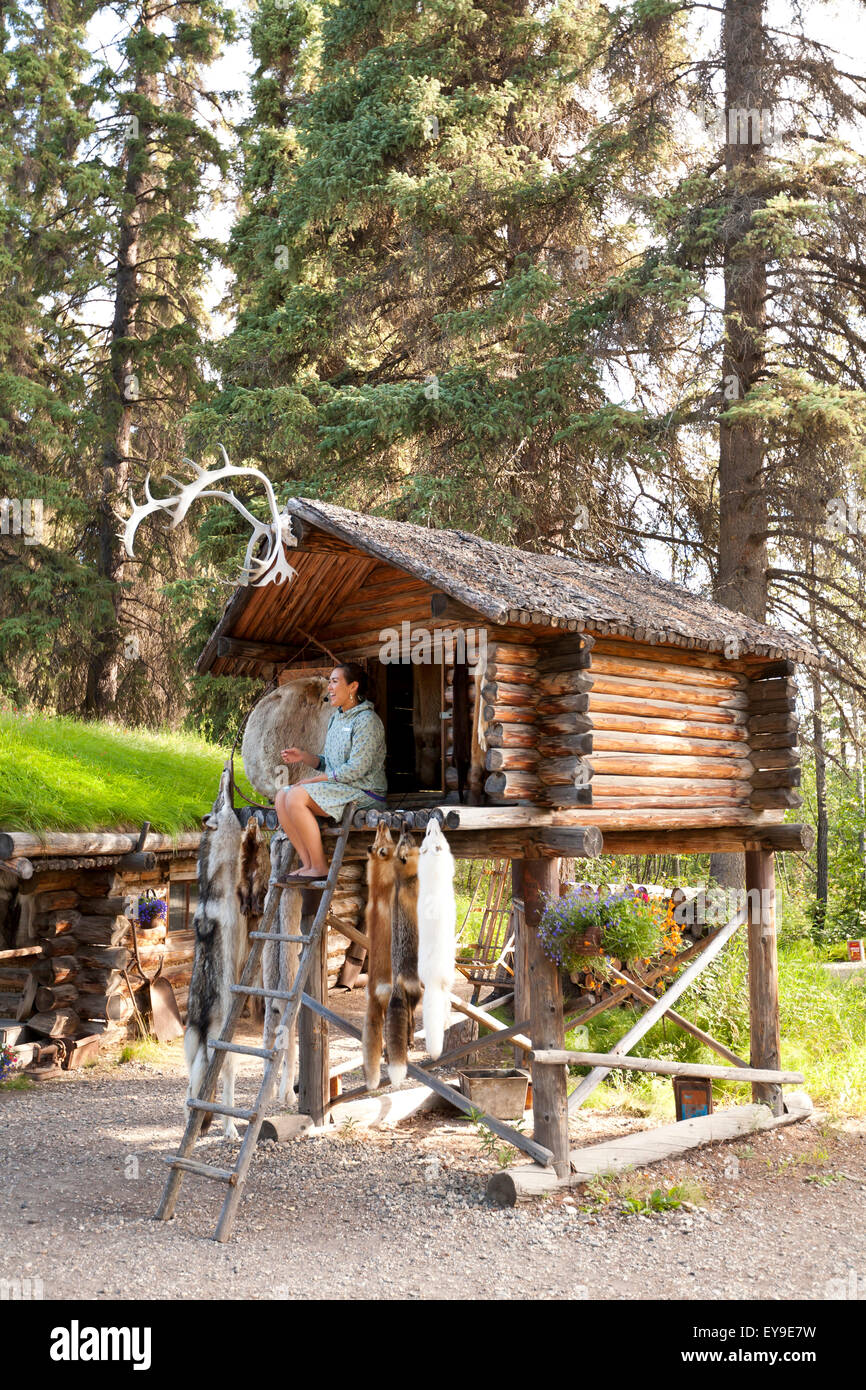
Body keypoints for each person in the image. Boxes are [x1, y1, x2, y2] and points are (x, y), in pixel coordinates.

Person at [274, 663, 387, 879]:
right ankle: (308, 864)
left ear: (353, 686)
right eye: (329, 682)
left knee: (296, 796)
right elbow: (332, 764)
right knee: (282, 797)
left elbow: (357, 768)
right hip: (339, 787)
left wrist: (317, 780)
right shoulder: (336, 718)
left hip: (365, 791)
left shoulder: (367, 721)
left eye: (335, 681)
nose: (330, 688)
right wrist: (305, 757)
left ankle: (319, 866)